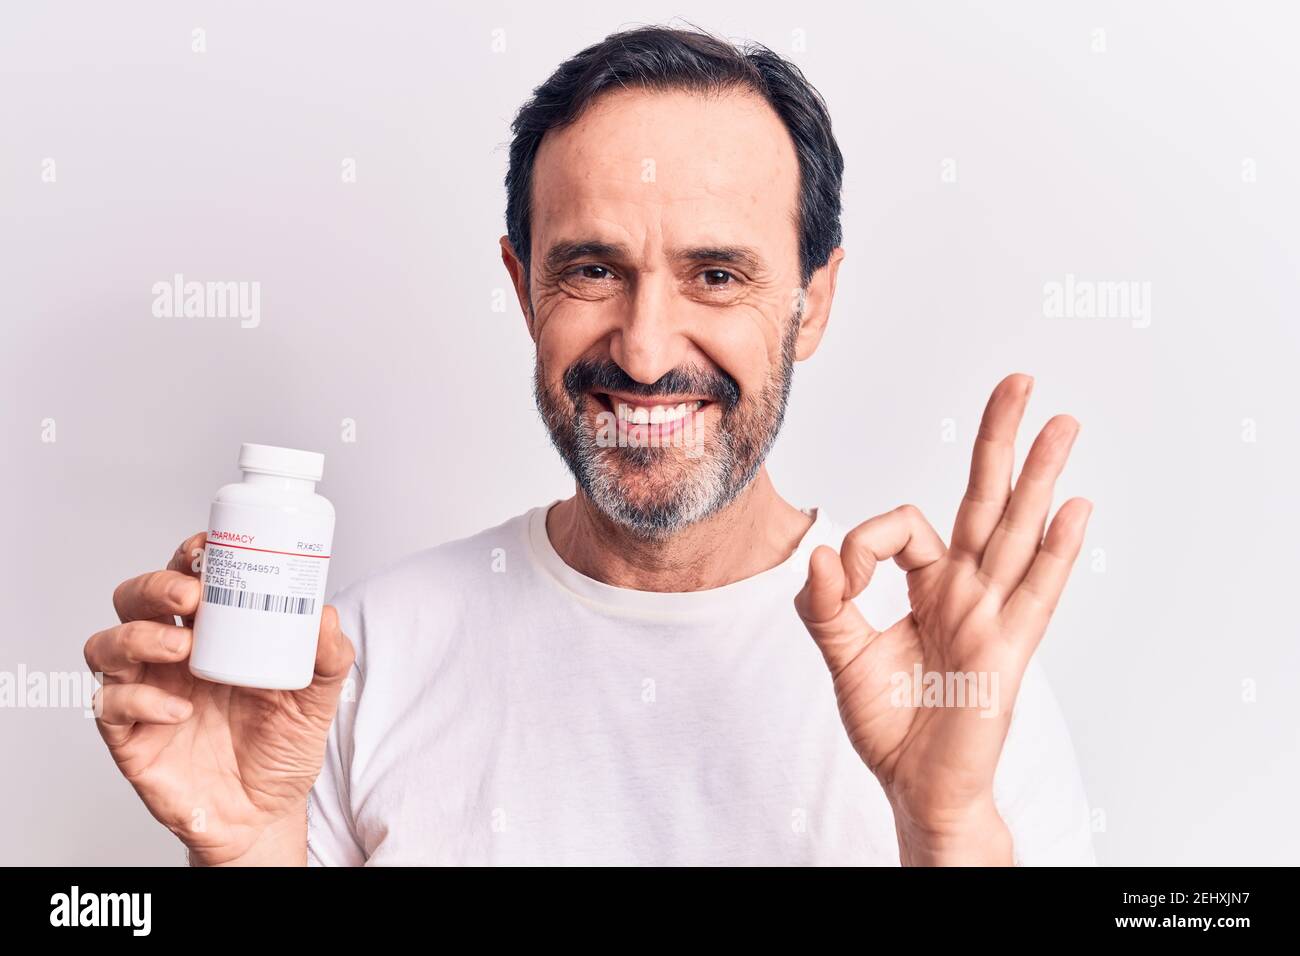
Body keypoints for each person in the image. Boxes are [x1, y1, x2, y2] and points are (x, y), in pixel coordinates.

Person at [85, 25, 1095, 866]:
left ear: (812, 302)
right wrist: (251, 842)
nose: (647, 351)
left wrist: (946, 824)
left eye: (714, 274)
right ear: (524, 286)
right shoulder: (362, 663)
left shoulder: (953, 676)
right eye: (594, 270)